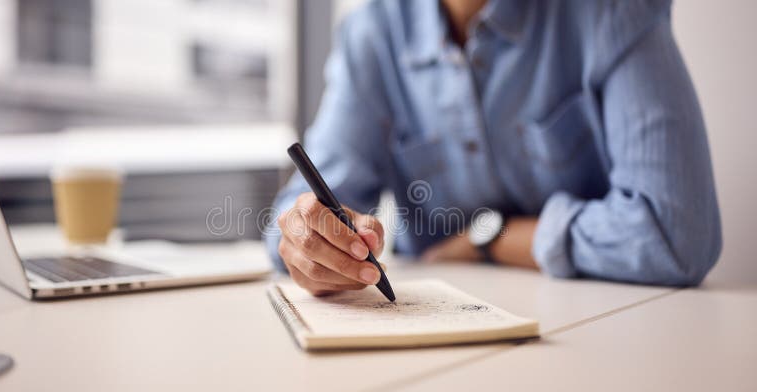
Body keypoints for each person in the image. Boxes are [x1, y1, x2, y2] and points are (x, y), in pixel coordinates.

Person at [264, 0, 722, 296]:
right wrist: (312, 239)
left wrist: (493, 239)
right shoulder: (372, 33)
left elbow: (678, 235)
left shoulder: (612, 12)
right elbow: (289, 221)